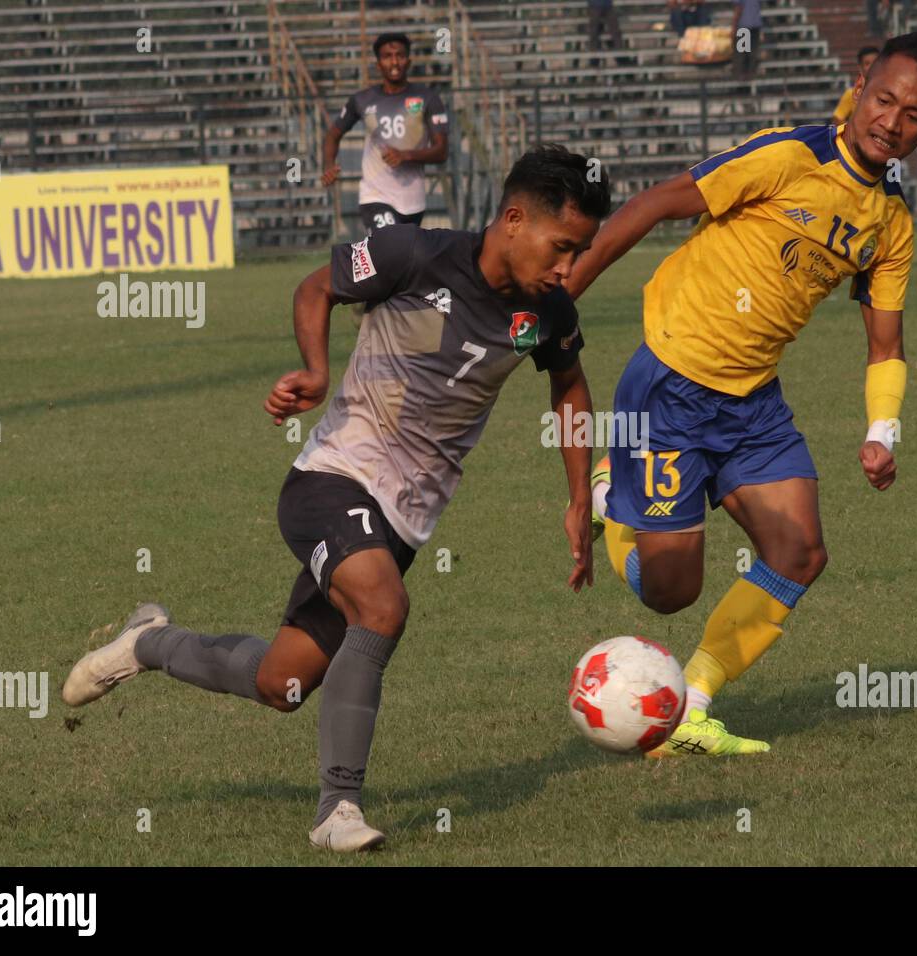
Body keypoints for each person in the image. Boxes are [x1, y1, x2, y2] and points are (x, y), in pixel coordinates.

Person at [62, 146, 612, 850]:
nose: (570, 267)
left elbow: (568, 384)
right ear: (513, 219)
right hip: (332, 476)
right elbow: (316, 288)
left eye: (582, 251)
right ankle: (337, 809)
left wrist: (575, 495)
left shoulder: (547, 312)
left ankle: (145, 643)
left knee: (281, 683)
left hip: (404, 520)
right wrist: (318, 371)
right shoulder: (412, 255)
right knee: (382, 606)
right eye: (563, 247)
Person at [568, 34, 917, 757]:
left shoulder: (891, 224)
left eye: (914, 115)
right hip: (670, 388)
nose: (891, 122)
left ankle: (692, 703)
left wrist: (884, 430)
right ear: (861, 83)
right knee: (670, 592)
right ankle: (609, 497)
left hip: (752, 403)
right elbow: (659, 203)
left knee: (800, 551)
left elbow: (886, 346)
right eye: (883, 99)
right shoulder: (789, 156)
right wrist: (562, 296)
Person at [321, 32, 449, 236]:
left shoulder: (428, 98)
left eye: (400, 55)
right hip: (375, 196)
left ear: (409, 61)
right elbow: (332, 135)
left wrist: (406, 155)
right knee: (390, 245)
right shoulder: (362, 100)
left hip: (412, 200)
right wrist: (328, 164)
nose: (394, 61)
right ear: (378, 63)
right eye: (387, 56)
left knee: (404, 262)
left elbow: (441, 152)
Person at [831, 46, 880, 124]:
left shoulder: (891, 91)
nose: (872, 67)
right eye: (867, 63)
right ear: (860, 68)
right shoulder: (852, 94)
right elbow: (837, 119)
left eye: (875, 62)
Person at [732, 0, 763, 79]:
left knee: (741, 53)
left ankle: (741, 76)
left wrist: (734, 26)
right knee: (752, 52)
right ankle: (751, 74)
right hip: (755, 25)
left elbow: (739, 8)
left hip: (743, 25)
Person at [588, 0, 623, 65]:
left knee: (615, 30)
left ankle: (619, 53)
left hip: (607, 6)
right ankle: (594, 57)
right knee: (594, 31)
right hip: (595, 6)